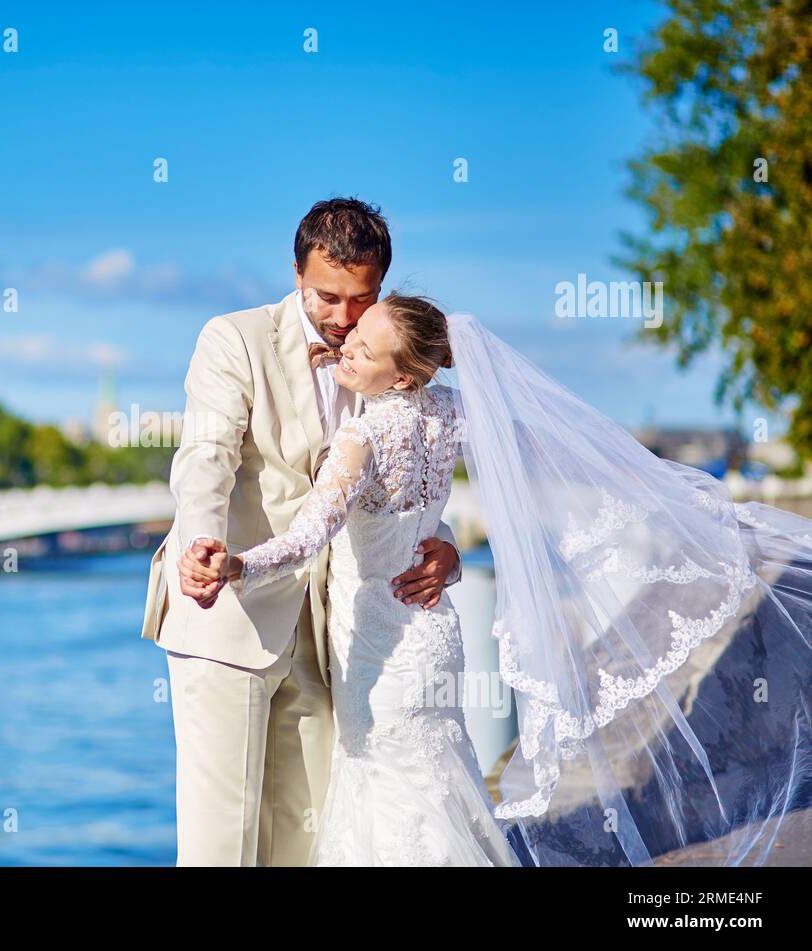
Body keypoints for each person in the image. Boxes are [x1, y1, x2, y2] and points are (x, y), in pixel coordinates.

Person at [188, 295, 812, 866]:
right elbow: (539, 449)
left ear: (402, 375)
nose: (345, 343)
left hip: (378, 647)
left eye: (362, 346)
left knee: (383, 786)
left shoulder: (360, 437)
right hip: (432, 633)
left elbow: (308, 536)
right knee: (437, 779)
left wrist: (239, 565)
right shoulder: (451, 412)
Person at [139, 199, 463, 866]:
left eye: (362, 298)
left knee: (308, 839)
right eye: (327, 296)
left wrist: (447, 548)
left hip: (331, 634)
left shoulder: (382, 352)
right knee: (221, 844)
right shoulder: (232, 338)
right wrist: (203, 540)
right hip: (227, 612)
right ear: (295, 272)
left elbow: (398, 475)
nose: (344, 319)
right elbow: (206, 456)